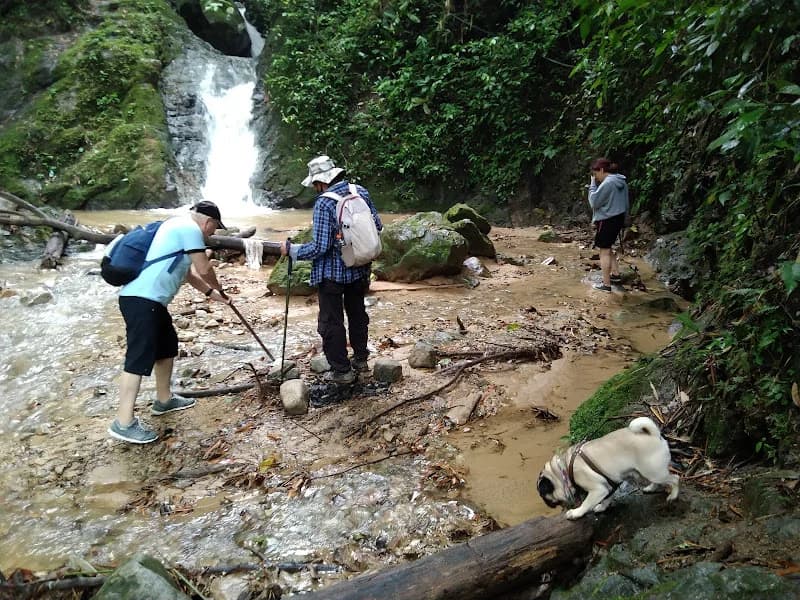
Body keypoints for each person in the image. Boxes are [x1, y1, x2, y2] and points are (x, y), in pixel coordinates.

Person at [108, 201, 230, 444]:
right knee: (138, 358)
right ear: (208, 222)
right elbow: (204, 269)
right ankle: (123, 423)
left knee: (166, 348)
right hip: (142, 300)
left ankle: (164, 400)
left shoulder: (177, 229)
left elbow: (187, 273)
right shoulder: (190, 229)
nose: (213, 233)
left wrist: (210, 294)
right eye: (214, 228)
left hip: (152, 302)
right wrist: (220, 288)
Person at [280, 155, 382, 384]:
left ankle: (342, 370)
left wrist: (293, 250)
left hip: (332, 276)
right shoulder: (360, 192)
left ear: (320, 182)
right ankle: (361, 359)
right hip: (360, 267)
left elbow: (320, 247)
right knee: (357, 314)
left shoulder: (324, 202)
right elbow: (378, 226)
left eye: (315, 185)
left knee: (331, 321)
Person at [587, 158, 629, 292]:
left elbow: (594, 202)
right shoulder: (621, 180)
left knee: (603, 251)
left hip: (607, 219)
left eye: (595, 174)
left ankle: (606, 284)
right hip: (619, 217)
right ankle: (615, 275)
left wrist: (592, 185)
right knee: (609, 247)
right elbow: (626, 202)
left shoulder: (608, 183)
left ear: (601, 170)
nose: (595, 177)